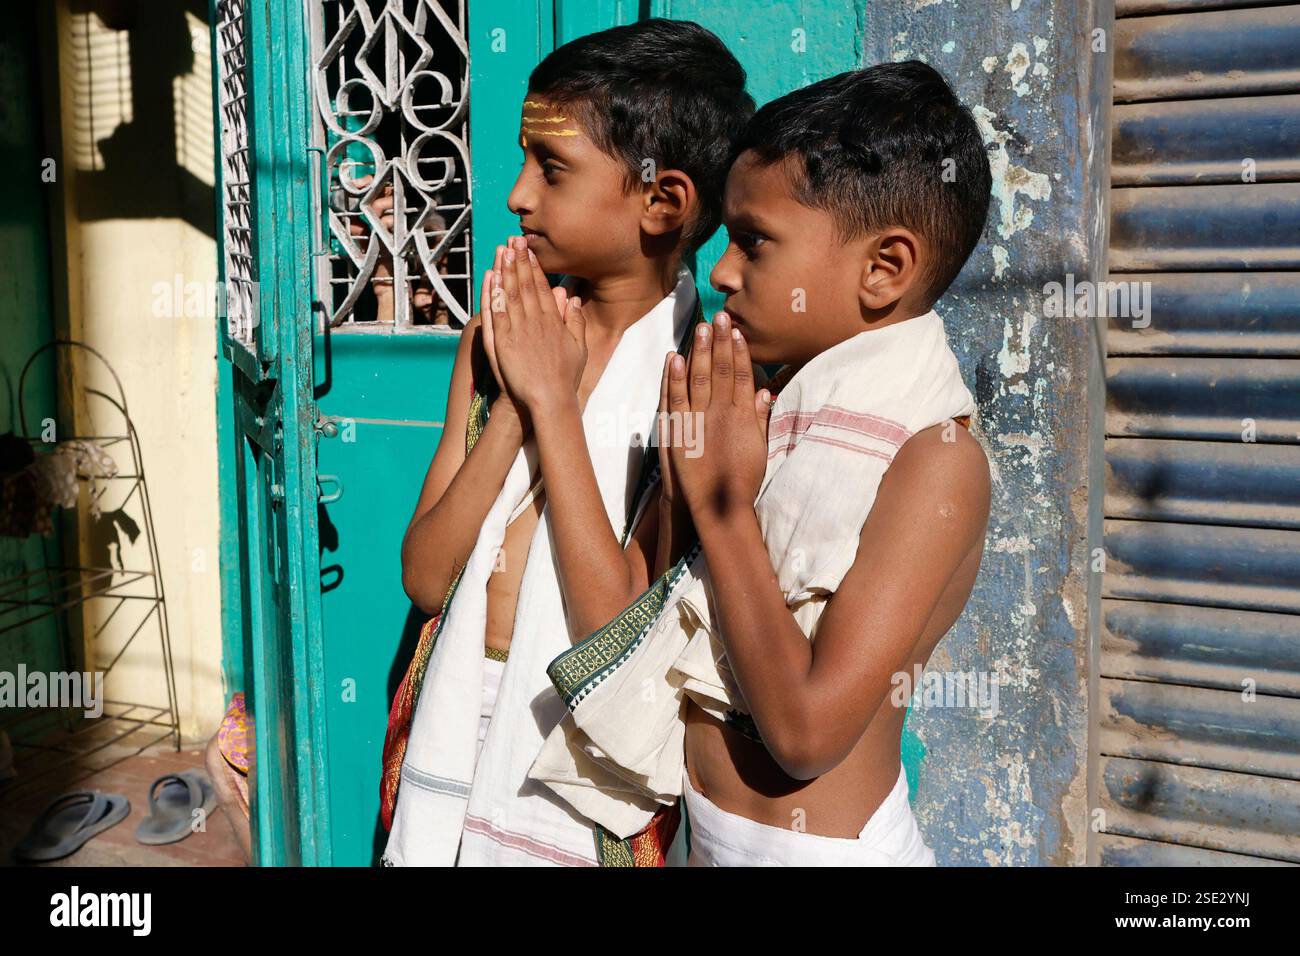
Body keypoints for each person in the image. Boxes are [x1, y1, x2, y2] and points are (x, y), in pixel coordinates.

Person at [528, 60, 993, 866]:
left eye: (755, 241)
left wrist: (720, 506)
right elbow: (647, 610)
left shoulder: (935, 461)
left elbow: (807, 733)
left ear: (884, 269)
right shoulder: (763, 411)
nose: (722, 271)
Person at [381, 19, 754, 867]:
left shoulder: (698, 381)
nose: (518, 194)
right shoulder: (496, 342)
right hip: (450, 727)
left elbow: (616, 629)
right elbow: (426, 575)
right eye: (524, 162)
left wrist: (553, 404)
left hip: (577, 776)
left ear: (664, 202)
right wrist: (515, 404)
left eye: (552, 169)